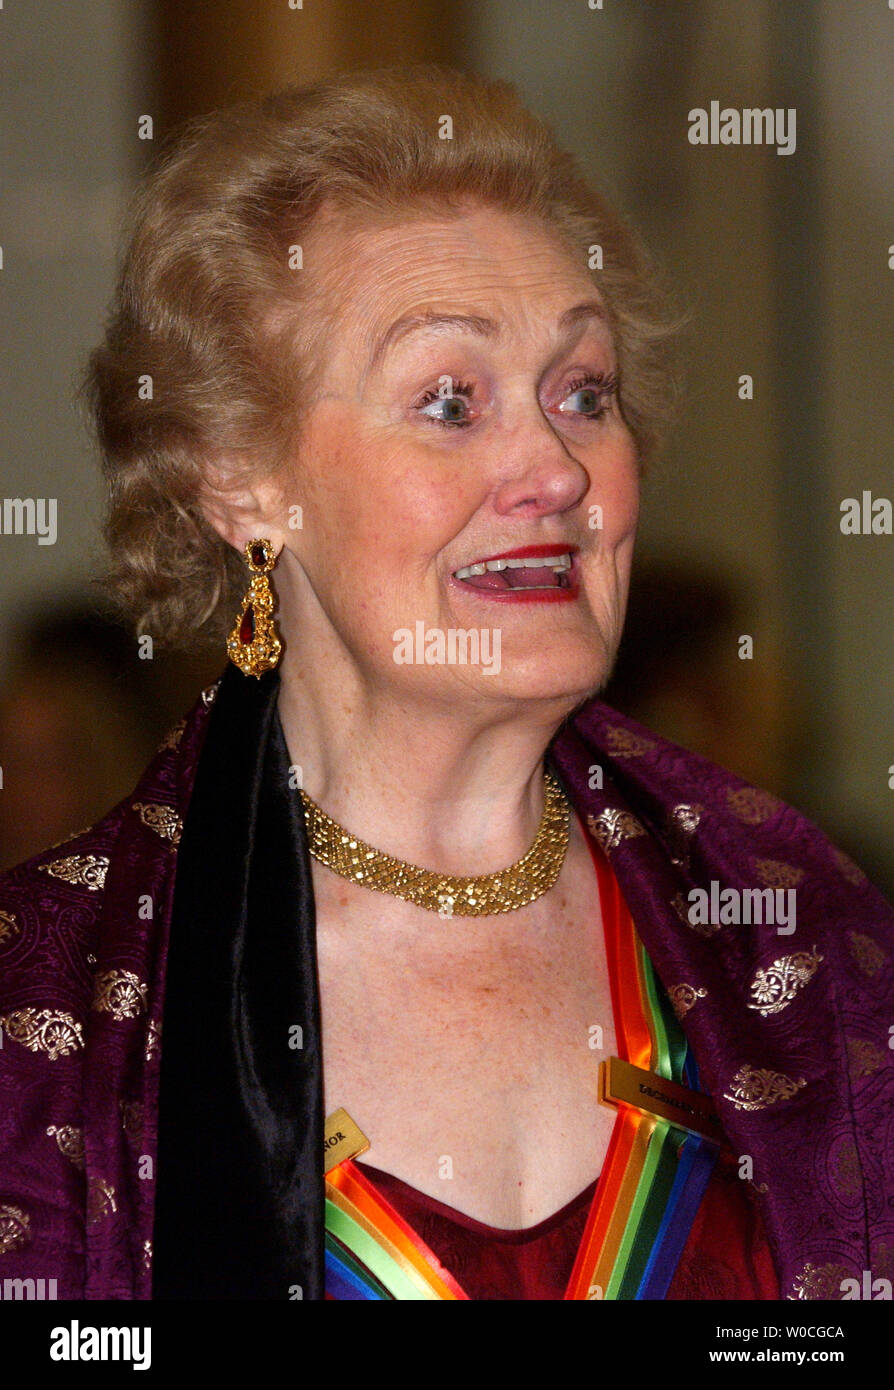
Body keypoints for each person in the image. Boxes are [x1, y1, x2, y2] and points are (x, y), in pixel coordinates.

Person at [0, 65, 891, 1303]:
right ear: (241, 479)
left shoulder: (810, 946)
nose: (557, 470)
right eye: (450, 400)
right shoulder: (43, 1024)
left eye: (585, 392)